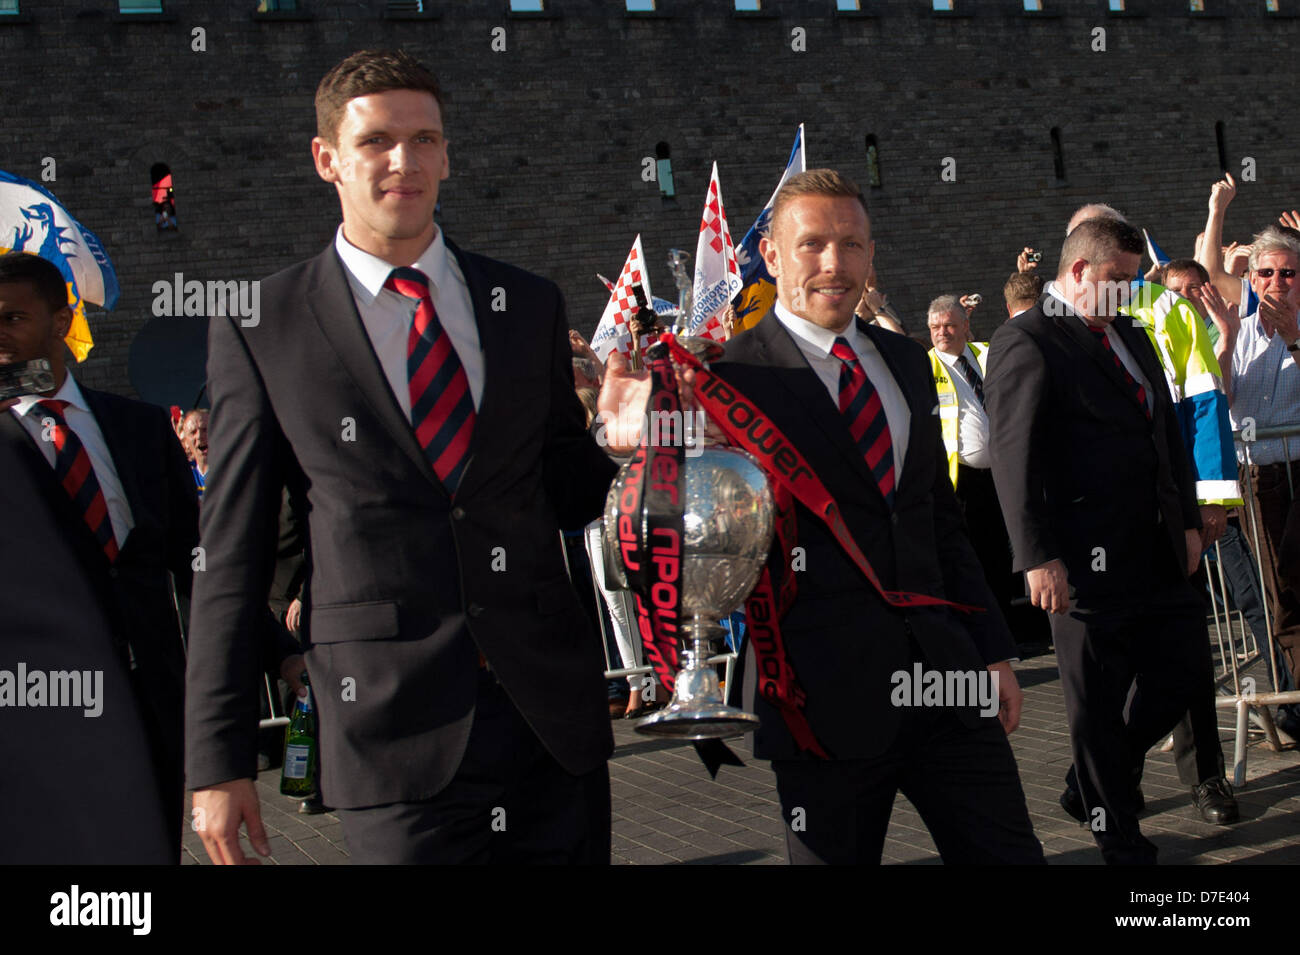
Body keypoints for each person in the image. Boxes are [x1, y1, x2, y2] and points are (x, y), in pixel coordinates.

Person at [186, 49, 619, 865]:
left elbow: (562, 490)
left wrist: (623, 449)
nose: (403, 161)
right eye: (378, 140)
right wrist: (217, 757)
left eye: (425, 140)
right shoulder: (261, 322)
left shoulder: (524, 303)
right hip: (390, 730)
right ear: (327, 159)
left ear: (448, 154)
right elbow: (229, 554)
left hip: (547, 720)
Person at [607, 170, 1043, 864]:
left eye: (851, 244)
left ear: (872, 255)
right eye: (811, 244)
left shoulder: (905, 359)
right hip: (820, 698)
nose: (834, 263)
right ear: (773, 256)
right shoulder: (725, 376)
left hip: (947, 681)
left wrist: (991, 648)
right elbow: (674, 519)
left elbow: (938, 516)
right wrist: (641, 433)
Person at [986, 217, 1222, 864]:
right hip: (1082, 565)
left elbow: (1166, 434)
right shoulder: (1027, 340)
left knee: (1182, 674)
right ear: (1081, 271)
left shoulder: (1132, 334)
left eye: (1134, 279)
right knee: (1094, 704)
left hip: (1155, 550)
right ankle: (1119, 841)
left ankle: (1084, 780)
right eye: (1119, 280)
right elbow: (1014, 456)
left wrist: (1187, 521)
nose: (1130, 291)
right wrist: (1035, 555)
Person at [0, 250, 199, 861]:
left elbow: (197, 561)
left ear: (62, 321)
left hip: (146, 710)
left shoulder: (136, 428)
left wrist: (279, 654)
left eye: (12, 317)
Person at [926, 294, 1049, 653]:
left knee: (1010, 551)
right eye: (935, 327)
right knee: (976, 557)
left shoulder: (986, 353)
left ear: (966, 326)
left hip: (1006, 472)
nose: (942, 333)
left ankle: (1015, 629)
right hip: (962, 481)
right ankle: (984, 636)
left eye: (949, 325)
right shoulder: (925, 367)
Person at [1225, 224, 1300, 740]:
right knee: (1282, 595)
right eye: (1267, 273)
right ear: (1251, 280)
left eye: (1289, 273)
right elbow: (1216, 402)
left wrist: (1295, 338)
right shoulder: (1236, 331)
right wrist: (1224, 342)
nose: (1277, 282)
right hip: (1258, 483)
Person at [179, 408, 209, 500]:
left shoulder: (231, 472)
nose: (199, 436)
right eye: (193, 432)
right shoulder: (183, 476)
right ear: (186, 442)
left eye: (205, 430)